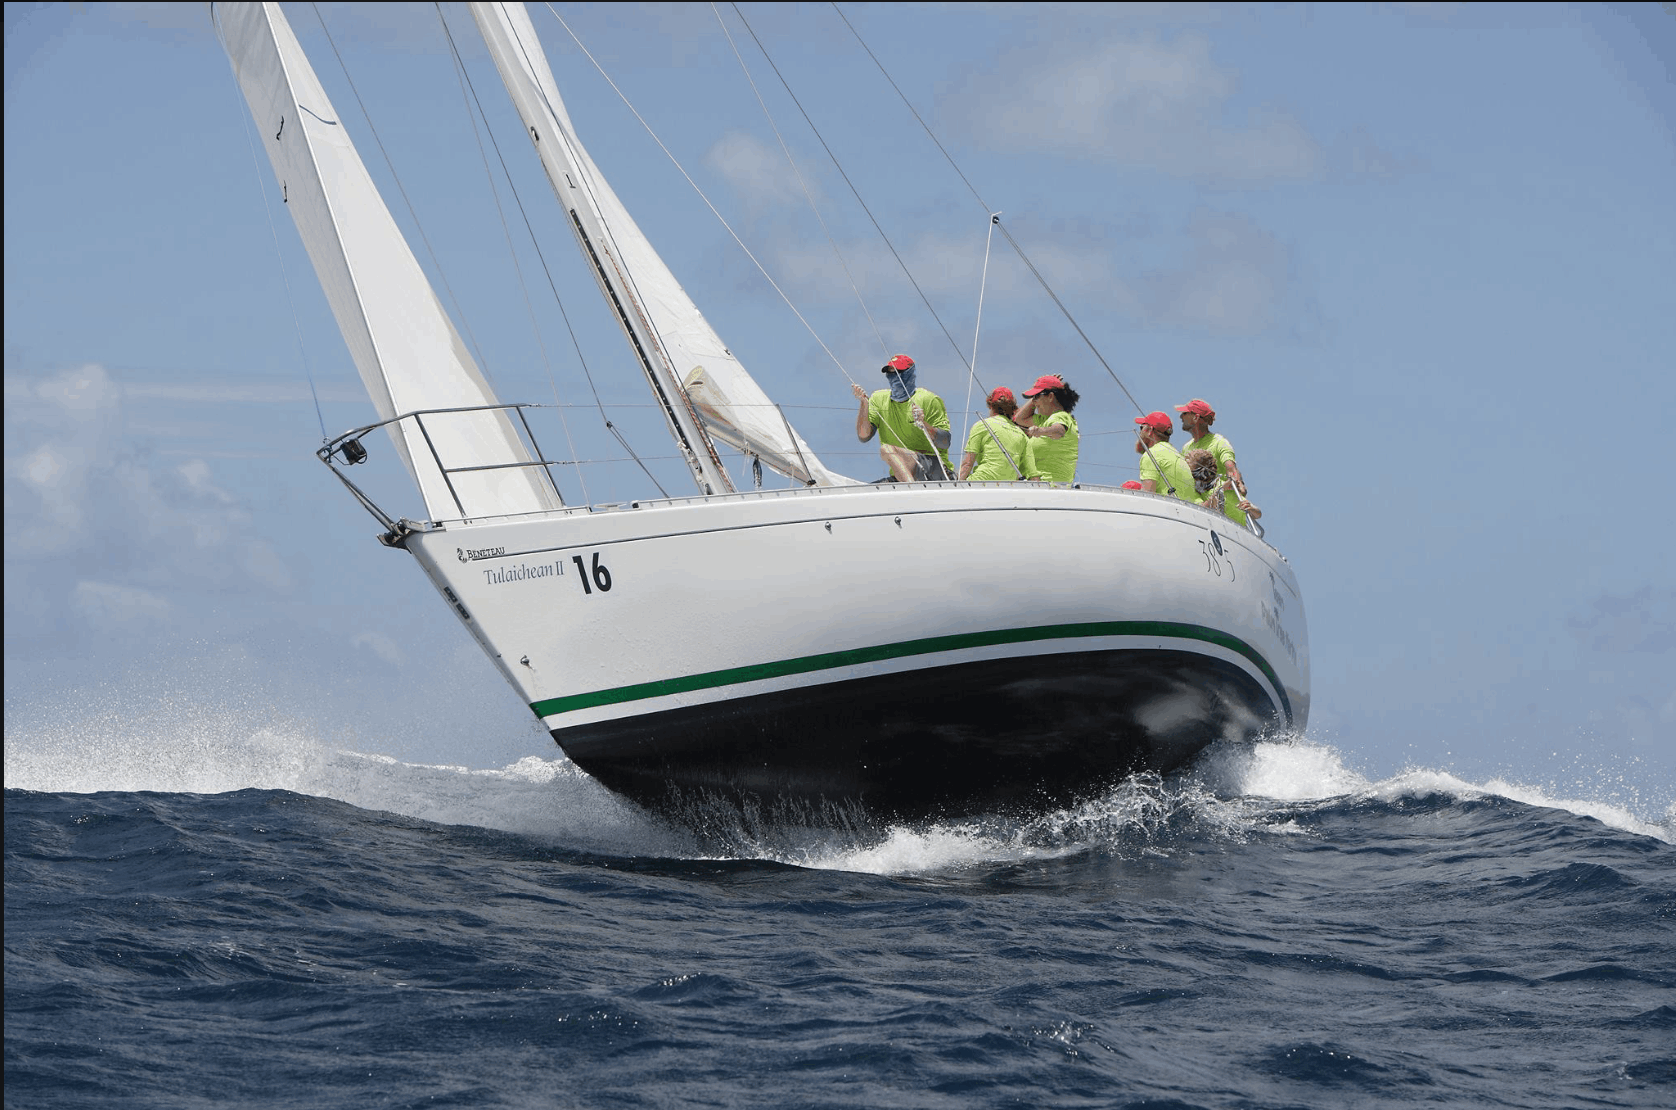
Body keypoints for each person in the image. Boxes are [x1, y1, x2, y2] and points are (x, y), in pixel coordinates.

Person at [851, 354, 953, 481]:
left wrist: (923, 424)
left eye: (898, 372)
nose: (894, 377)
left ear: (909, 373)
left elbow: (945, 442)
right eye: (890, 373)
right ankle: (910, 487)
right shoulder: (878, 398)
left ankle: (912, 491)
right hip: (902, 473)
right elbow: (863, 435)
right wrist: (864, 404)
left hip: (935, 469)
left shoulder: (929, 399)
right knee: (867, 493)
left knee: (887, 449)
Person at [1176, 398, 1252, 527]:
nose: (1180, 417)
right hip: (1203, 512)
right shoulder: (1186, 448)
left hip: (1226, 511)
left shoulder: (1218, 442)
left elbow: (1231, 467)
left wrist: (1239, 483)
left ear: (1196, 418)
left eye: (1185, 413)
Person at [1012, 374, 1080, 483]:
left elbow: (1059, 431)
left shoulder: (1061, 416)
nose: (1034, 401)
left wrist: (1040, 431)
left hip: (1050, 486)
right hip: (1041, 486)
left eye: (1037, 396)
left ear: (1050, 397)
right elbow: (1019, 418)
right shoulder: (1043, 420)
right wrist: (1036, 398)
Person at [959, 386, 1029, 481]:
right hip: (1009, 485)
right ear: (1012, 408)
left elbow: (967, 463)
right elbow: (1030, 471)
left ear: (990, 405)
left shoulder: (982, 425)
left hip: (981, 481)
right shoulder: (1021, 434)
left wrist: (958, 484)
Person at [1184, 447, 1261, 524]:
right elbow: (1200, 510)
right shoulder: (1196, 492)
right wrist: (1220, 491)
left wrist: (1250, 508)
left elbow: (1257, 514)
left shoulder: (1228, 486)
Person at [1133, 411, 1194, 499]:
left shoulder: (1151, 455)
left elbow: (1147, 498)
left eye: (1141, 428)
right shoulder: (1177, 454)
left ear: (1149, 430)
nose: (1140, 433)